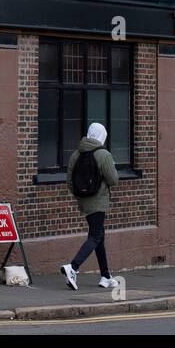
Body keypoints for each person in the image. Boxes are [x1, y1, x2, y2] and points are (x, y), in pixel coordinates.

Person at [61, 122, 119, 290]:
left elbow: (69, 181)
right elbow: (113, 180)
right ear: (102, 137)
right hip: (98, 201)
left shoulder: (75, 154)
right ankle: (73, 267)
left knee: (99, 235)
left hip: (83, 200)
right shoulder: (103, 154)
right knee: (95, 235)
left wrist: (81, 195)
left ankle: (105, 276)